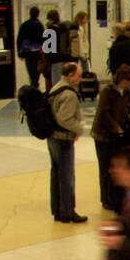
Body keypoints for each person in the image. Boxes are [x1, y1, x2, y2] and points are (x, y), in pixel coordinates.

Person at [92, 66, 130, 213]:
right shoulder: (107, 91)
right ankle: (105, 199)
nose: (127, 85)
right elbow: (104, 113)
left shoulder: (128, 91)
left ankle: (115, 197)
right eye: (126, 81)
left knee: (116, 167)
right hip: (103, 134)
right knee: (105, 168)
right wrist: (115, 127)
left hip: (117, 135)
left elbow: (126, 108)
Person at [47, 62, 86, 224]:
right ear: (70, 75)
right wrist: (79, 129)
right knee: (67, 176)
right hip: (63, 139)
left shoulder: (56, 87)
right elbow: (64, 119)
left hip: (52, 137)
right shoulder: (69, 94)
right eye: (78, 75)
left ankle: (58, 210)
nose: (80, 79)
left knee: (56, 175)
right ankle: (68, 211)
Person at [17, 5, 45, 91]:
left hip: (27, 52)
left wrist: (20, 53)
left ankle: (33, 88)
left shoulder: (24, 25)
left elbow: (19, 39)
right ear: (38, 14)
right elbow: (42, 39)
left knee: (31, 72)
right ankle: (35, 88)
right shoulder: (39, 25)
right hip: (37, 53)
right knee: (36, 73)